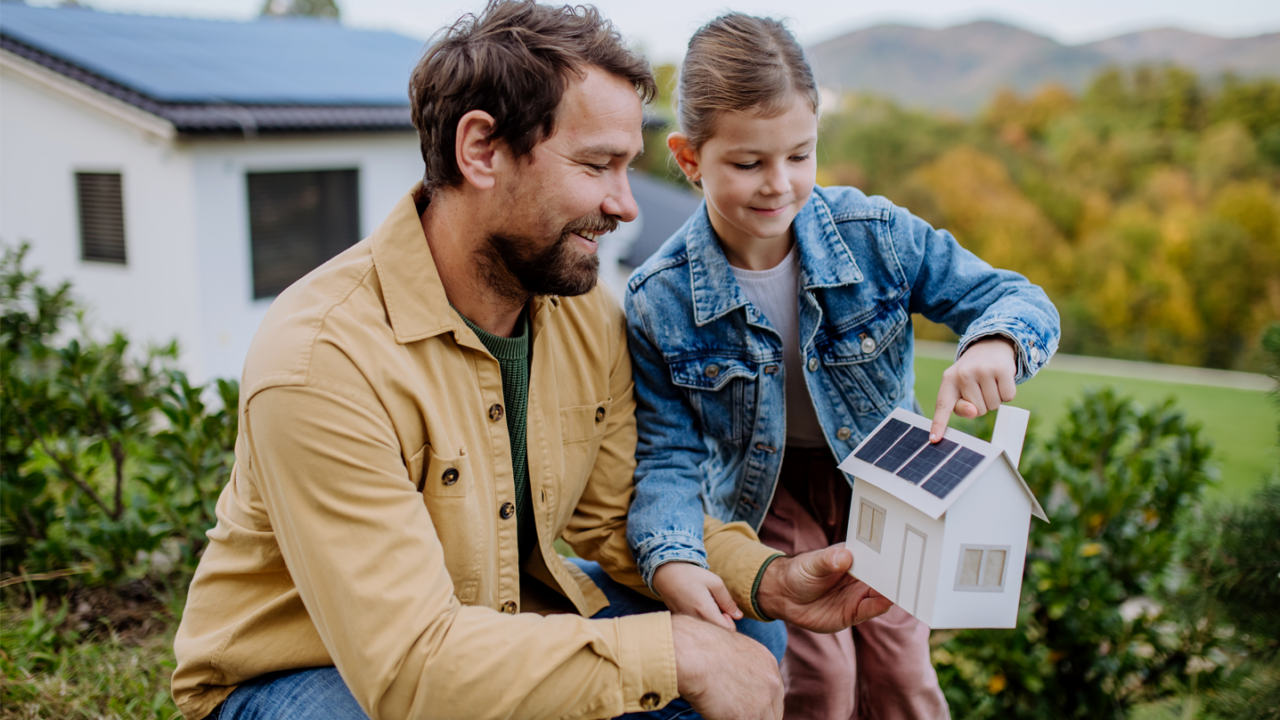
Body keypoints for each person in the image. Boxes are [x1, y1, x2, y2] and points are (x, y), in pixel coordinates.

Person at [171, 3, 894, 720]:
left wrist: (767, 578)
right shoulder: (323, 358)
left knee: (740, 623)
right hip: (304, 673)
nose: (625, 205)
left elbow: (621, 513)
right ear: (481, 149)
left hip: (488, 616)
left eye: (627, 168)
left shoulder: (581, 310)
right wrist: (672, 655)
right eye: (596, 166)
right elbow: (408, 670)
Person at [624, 13, 1061, 720]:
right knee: (816, 681)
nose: (778, 184)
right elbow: (668, 453)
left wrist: (996, 344)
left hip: (887, 482)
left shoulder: (876, 235)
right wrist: (672, 552)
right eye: (748, 163)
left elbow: (1015, 297)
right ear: (688, 157)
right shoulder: (659, 297)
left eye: (800, 156)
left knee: (903, 672)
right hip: (764, 499)